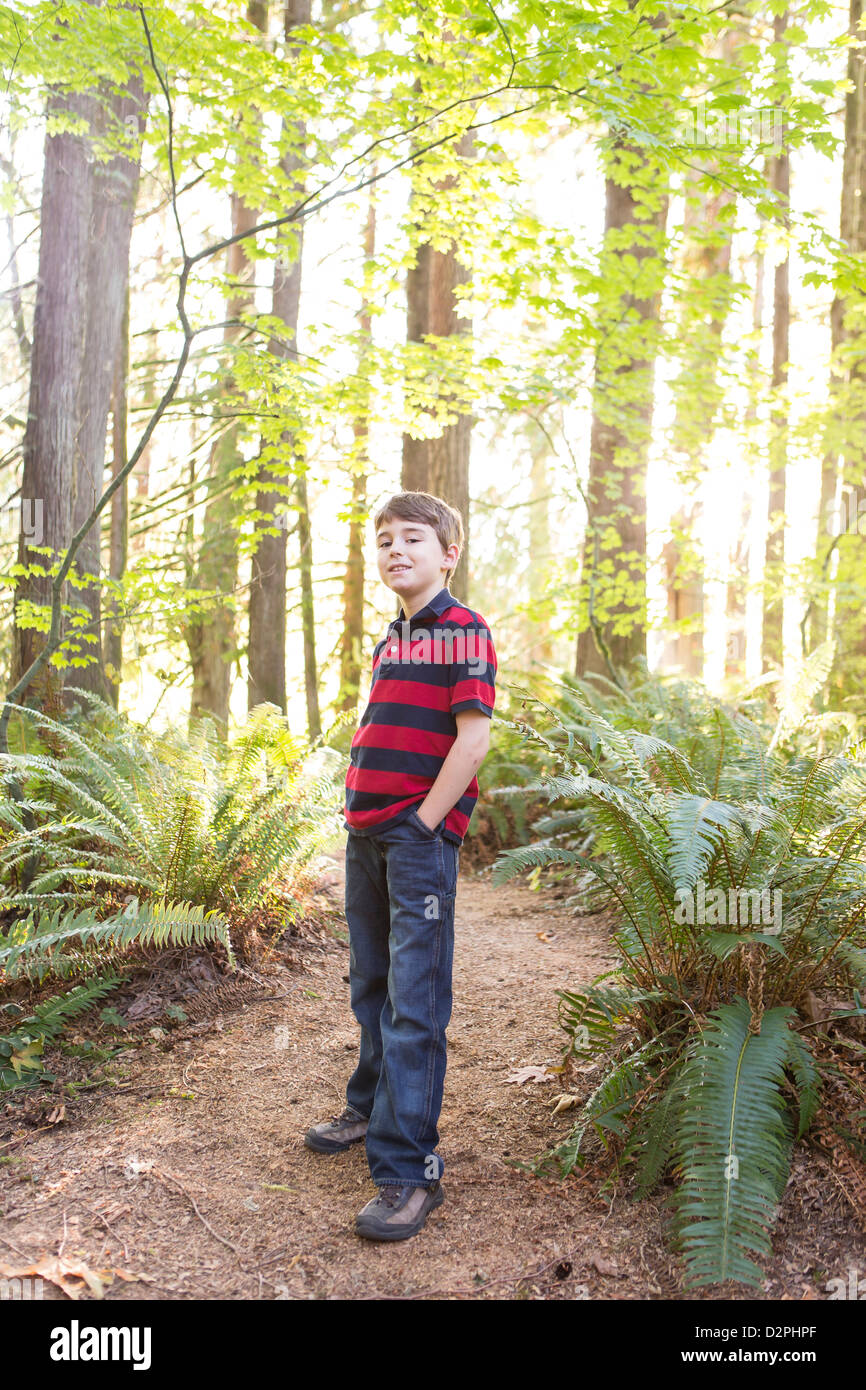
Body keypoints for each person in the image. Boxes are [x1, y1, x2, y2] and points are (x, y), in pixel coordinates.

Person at [305, 490, 497, 1241]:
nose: (396, 551)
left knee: (414, 1001)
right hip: (365, 837)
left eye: (412, 539)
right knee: (372, 982)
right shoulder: (392, 640)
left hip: (415, 845)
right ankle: (367, 1106)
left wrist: (423, 823)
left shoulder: (464, 630)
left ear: (448, 552)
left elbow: (471, 741)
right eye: (384, 540)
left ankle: (408, 1170)